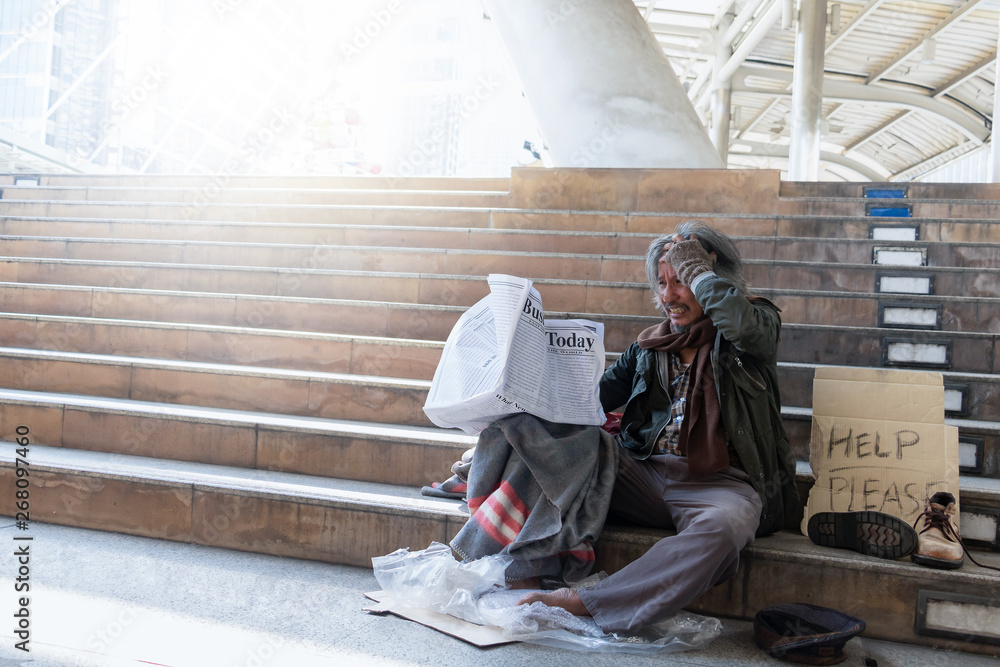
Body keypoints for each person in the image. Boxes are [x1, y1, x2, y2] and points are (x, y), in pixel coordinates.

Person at [517, 220, 799, 633]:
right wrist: (528, 380)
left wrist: (697, 270)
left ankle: (586, 600)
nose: (670, 296)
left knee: (725, 530)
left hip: (721, 487)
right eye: (662, 283)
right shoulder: (649, 346)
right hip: (644, 476)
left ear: (713, 279)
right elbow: (589, 401)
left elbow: (741, 327)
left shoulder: (756, 325)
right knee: (538, 435)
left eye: (682, 281)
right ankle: (526, 567)